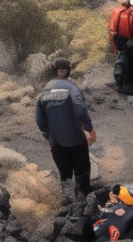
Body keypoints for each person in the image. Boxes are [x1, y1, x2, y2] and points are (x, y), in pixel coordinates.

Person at [36, 58, 96, 202]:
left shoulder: (44, 91)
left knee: (65, 174)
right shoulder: (71, 88)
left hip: (56, 142)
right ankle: (83, 199)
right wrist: (88, 127)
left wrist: (48, 136)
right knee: (82, 170)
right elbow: (80, 110)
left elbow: (40, 120)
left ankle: (69, 203)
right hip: (76, 139)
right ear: (68, 71)